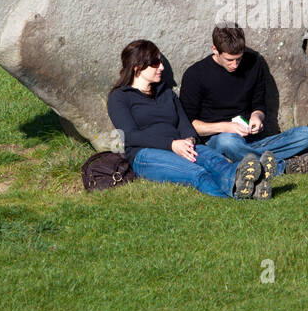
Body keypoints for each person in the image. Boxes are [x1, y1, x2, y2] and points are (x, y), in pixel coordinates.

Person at [107, 39, 266, 198]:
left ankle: (249, 183)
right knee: (197, 173)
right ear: (137, 67)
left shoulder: (167, 94)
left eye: (160, 62)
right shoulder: (119, 97)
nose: (161, 67)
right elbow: (131, 135)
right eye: (155, 63)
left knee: (215, 162)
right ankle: (243, 194)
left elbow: (184, 124)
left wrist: (189, 140)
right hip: (146, 154)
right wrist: (171, 144)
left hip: (181, 145)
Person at [179, 24, 308, 176]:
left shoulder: (253, 63)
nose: (235, 65)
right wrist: (226, 127)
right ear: (215, 50)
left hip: (251, 139)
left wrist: (257, 117)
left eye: (238, 59)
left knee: (307, 135)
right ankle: (282, 166)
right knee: (228, 141)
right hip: (218, 139)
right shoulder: (195, 75)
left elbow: (259, 104)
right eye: (229, 60)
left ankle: (243, 160)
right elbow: (189, 125)